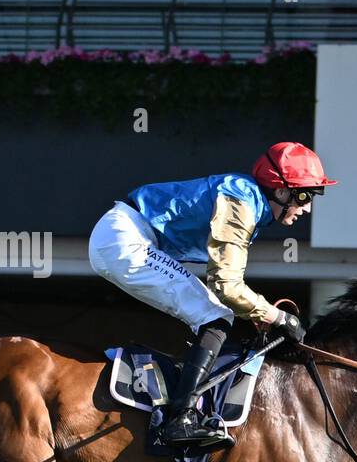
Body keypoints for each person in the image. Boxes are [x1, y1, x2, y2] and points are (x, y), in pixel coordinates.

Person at [88, 142, 332, 446]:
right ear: (280, 191)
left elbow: (224, 284)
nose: (307, 207)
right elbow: (227, 286)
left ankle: (181, 407)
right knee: (215, 315)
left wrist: (260, 314)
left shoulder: (247, 199)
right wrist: (277, 316)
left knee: (217, 313)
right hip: (126, 240)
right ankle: (179, 419)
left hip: (125, 237)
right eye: (305, 195)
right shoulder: (241, 201)